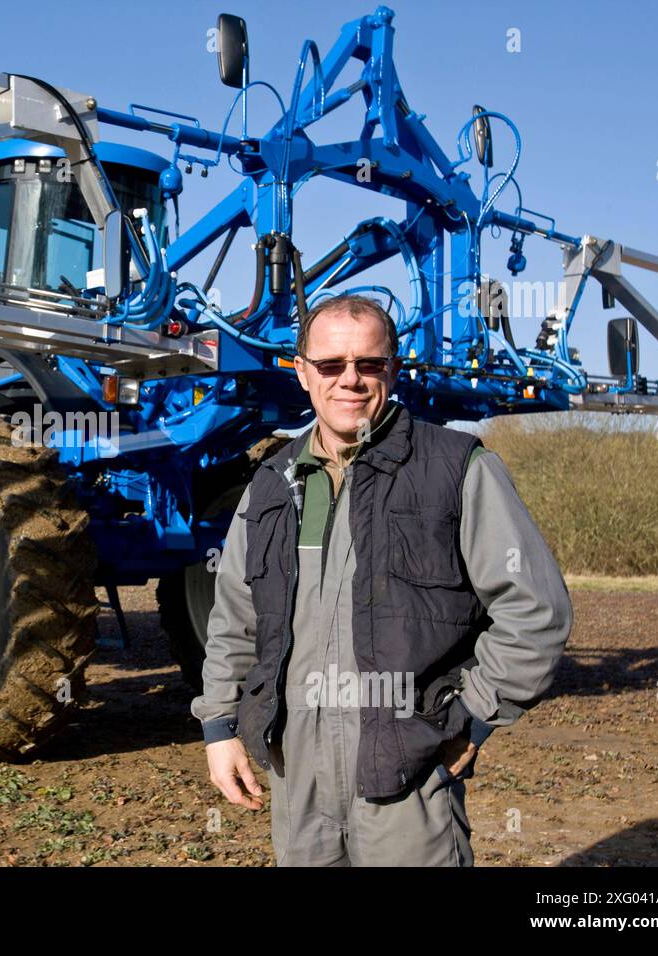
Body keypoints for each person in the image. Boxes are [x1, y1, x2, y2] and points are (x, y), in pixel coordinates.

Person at [192, 293, 573, 866]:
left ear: (392, 370)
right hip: (299, 780)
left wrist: (473, 715)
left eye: (369, 364)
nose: (351, 380)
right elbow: (235, 620)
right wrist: (220, 726)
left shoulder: (456, 469)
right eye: (330, 365)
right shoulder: (271, 486)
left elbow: (534, 609)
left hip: (408, 770)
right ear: (302, 373)